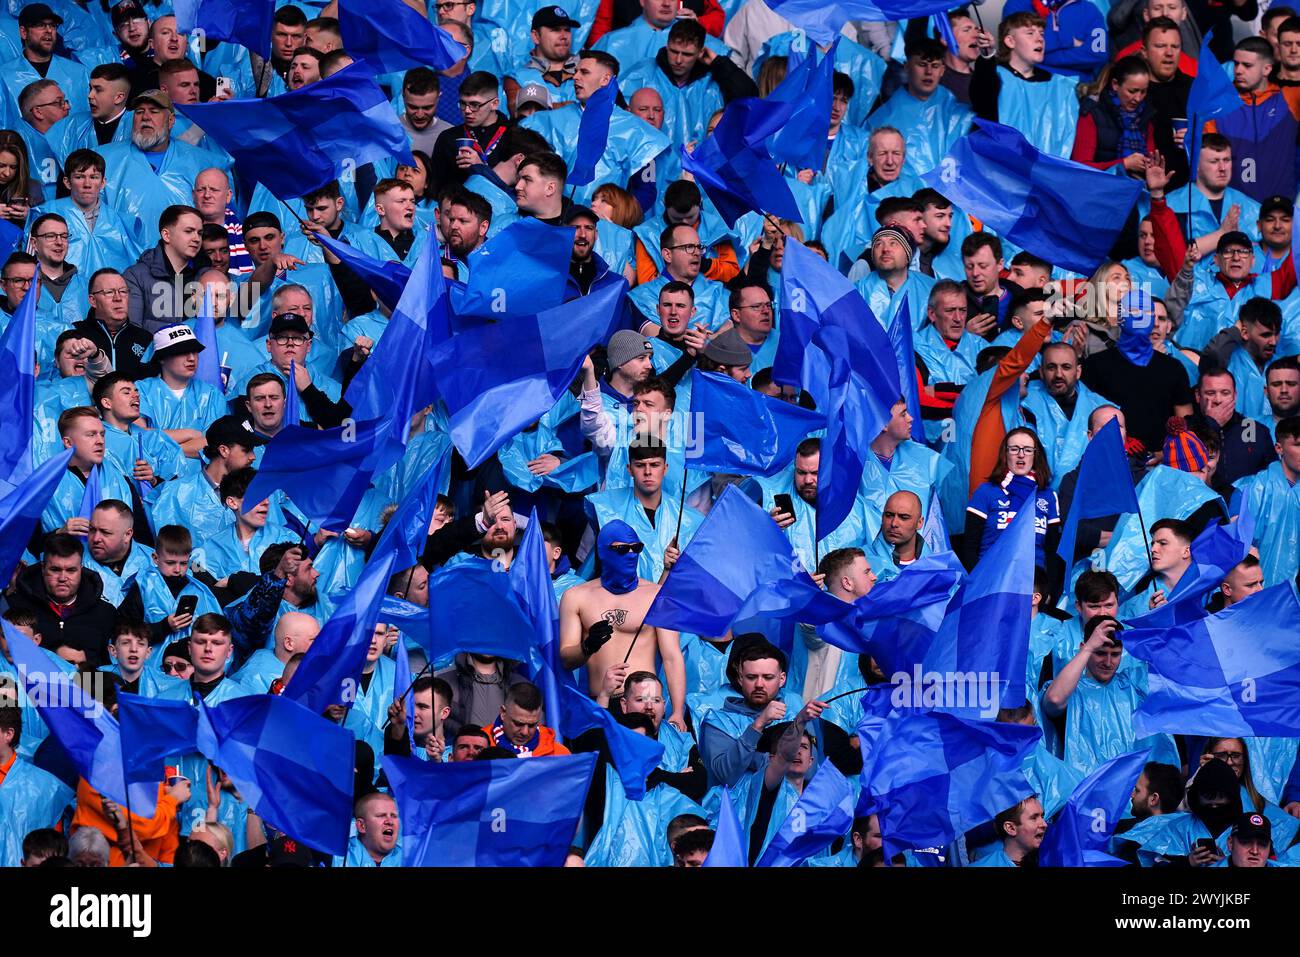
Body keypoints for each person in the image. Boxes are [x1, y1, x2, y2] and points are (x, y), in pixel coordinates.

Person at [559, 521, 688, 729]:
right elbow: (566, 659)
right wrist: (587, 646)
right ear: (602, 551)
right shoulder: (576, 597)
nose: (630, 554)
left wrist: (678, 711)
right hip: (601, 701)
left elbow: (672, 656)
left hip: (644, 704)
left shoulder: (656, 595)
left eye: (635, 548)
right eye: (621, 549)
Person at [98, 89, 229, 249]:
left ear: (171, 121)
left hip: (185, 266)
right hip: (125, 264)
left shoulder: (203, 162)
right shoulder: (104, 159)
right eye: (139, 112)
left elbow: (222, 217)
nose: (145, 117)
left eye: (154, 112)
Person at [6, 532, 118, 668]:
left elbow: (108, 669)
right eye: (55, 569)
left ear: (81, 570)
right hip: (28, 685)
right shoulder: (13, 607)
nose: (63, 578)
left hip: (88, 687)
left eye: (71, 570)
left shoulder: (105, 613)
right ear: (43, 568)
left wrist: (89, 687)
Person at [962, 427, 1061, 573]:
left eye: (1027, 450)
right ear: (1005, 454)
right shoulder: (986, 492)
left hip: (1034, 583)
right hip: (992, 579)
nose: (1021, 455)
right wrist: (980, 580)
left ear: (1036, 455)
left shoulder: (1048, 496)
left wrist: (1049, 592)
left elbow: (1053, 552)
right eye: (1014, 449)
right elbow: (969, 547)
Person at [483, 681, 570, 757]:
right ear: (503, 713)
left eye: (532, 725)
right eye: (518, 724)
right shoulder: (475, 747)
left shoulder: (560, 754)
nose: (525, 732)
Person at [972, 797, 1046, 866]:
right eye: (1034, 818)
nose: (1044, 824)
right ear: (1010, 828)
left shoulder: (1051, 859)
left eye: (1042, 816)